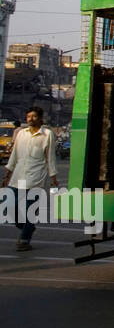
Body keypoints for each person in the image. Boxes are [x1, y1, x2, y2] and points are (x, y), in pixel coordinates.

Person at [3, 107, 57, 251]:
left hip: (36, 178)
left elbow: (50, 157)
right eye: (28, 116)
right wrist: (7, 175)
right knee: (9, 206)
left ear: (40, 118)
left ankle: (24, 239)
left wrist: (53, 177)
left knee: (29, 210)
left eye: (33, 116)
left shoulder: (47, 134)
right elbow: (14, 155)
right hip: (17, 176)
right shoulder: (21, 133)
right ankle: (28, 227)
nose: (30, 119)